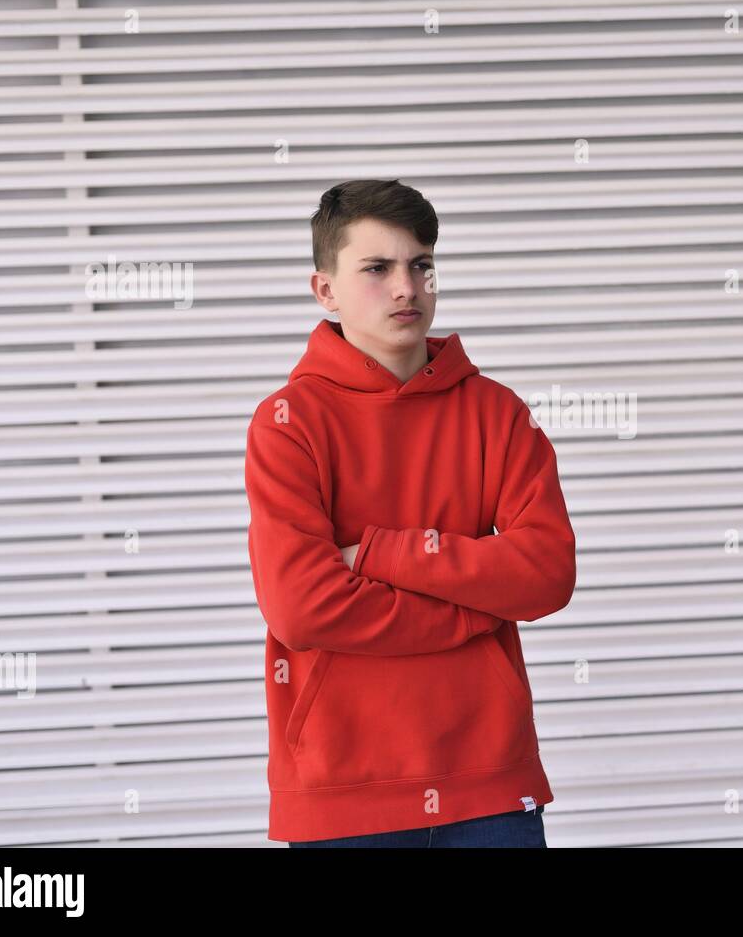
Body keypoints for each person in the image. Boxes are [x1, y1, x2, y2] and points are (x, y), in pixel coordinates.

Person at [244, 179, 577, 847]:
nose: (407, 287)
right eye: (378, 268)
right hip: (344, 794)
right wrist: (483, 602)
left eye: (421, 265)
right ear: (325, 290)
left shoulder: (497, 415)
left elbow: (545, 575)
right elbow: (301, 607)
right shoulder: (288, 424)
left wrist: (375, 555)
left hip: (491, 786)